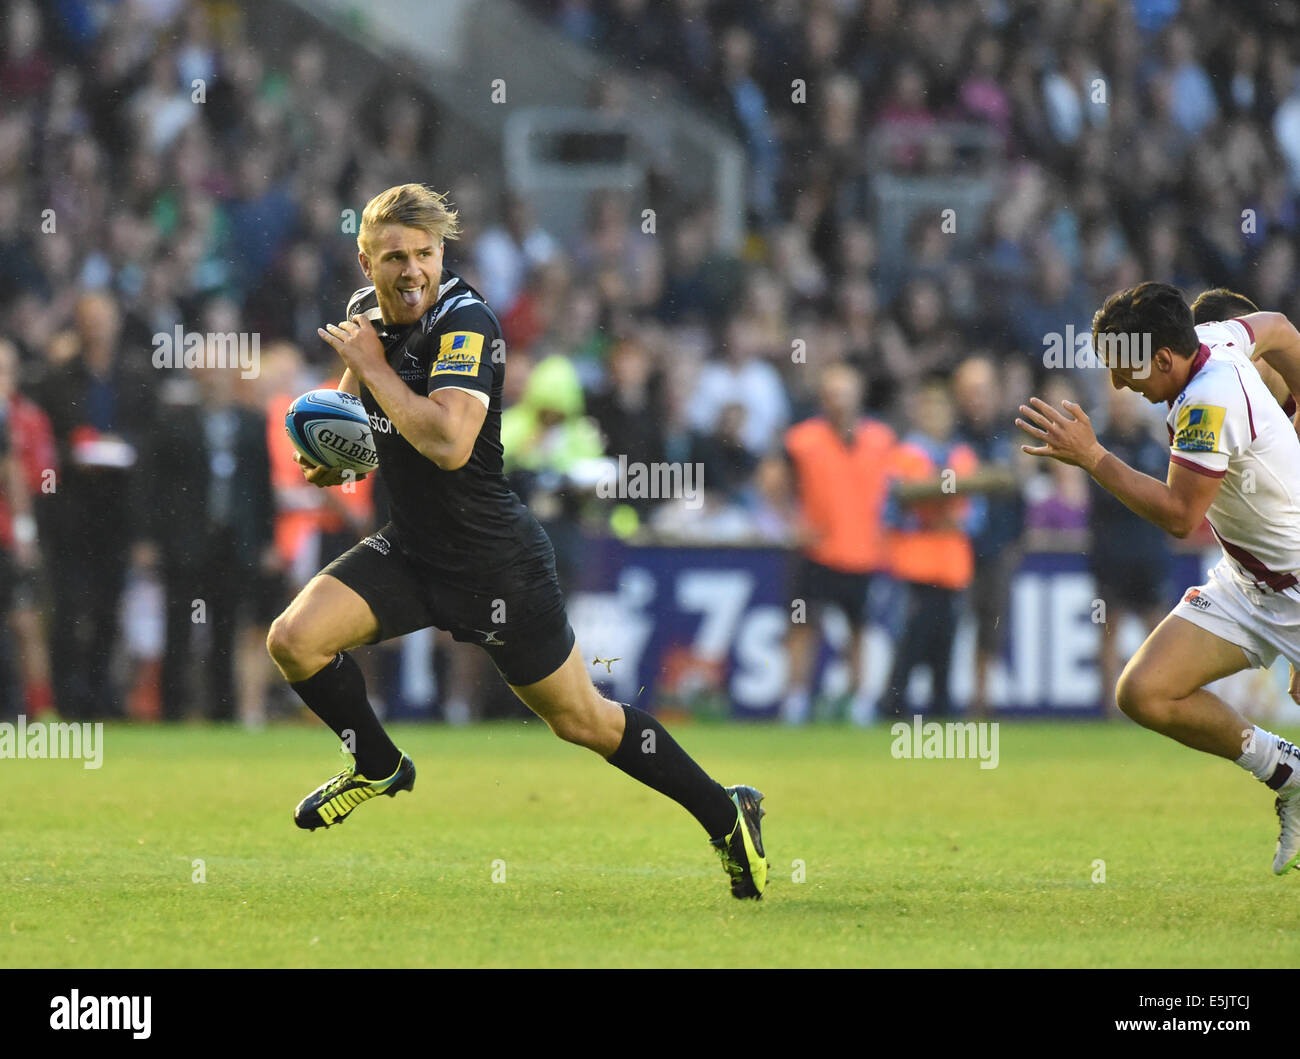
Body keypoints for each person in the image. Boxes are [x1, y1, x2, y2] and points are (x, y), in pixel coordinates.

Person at [265, 184, 768, 899]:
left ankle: (727, 812)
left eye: (425, 254)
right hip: (411, 548)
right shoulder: (364, 315)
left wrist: (374, 368)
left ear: (443, 253)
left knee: (582, 720)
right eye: (394, 256)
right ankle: (376, 762)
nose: (411, 270)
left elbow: (447, 441)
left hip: (494, 562)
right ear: (365, 258)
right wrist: (334, 455)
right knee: (294, 639)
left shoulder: (468, 323)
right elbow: (354, 410)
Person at [1015, 281, 1300, 874]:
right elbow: (1277, 327)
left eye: (1124, 371)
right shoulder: (1214, 339)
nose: (1118, 385)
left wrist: (1093, 458)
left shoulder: (1206, 403)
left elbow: (1179, 515)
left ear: (1164, 359)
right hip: (1248, 581)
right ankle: (1289, 773)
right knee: (1144, 691)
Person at [776, 363, 894, 724]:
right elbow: (773, 481)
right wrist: (790, 522)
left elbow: (900, 487)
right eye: (832, 392)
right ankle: (795, 701)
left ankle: (859, 703)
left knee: (859, 632)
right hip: (817, 551)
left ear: (859, 395)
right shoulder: (801, 440)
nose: (838, 400)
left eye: (845, 391)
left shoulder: (881, 439)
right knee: (802, 629)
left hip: (863, 551)